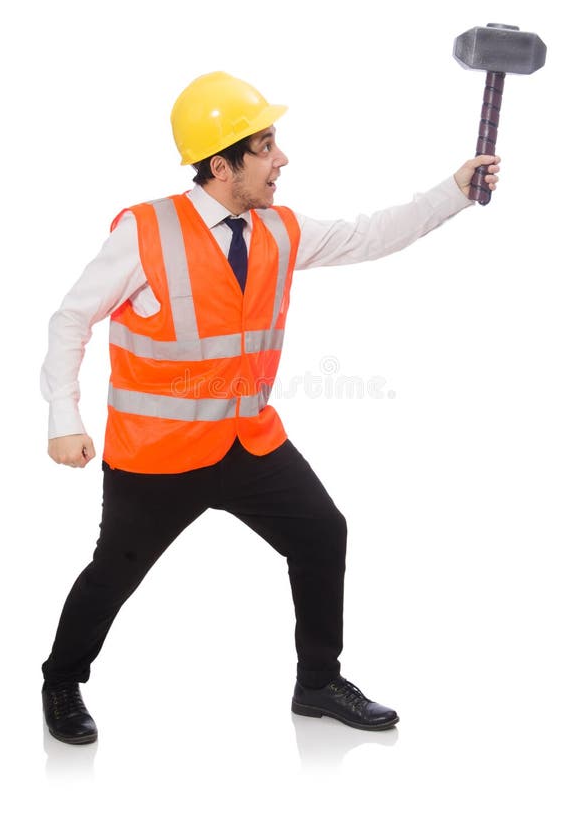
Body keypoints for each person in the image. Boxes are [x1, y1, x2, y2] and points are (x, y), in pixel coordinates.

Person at [41, 71, 500, 744]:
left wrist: (454, 191)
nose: (281, 159)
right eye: (266, 147)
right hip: (159, 456)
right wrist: (63, 419)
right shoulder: (146, 232)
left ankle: (316, 684)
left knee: (322, 533)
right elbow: (69, 320)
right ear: (222, 165)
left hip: (248, 443)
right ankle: (60, 681)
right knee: (114, 571)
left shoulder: (277, 230)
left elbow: (370, 235)